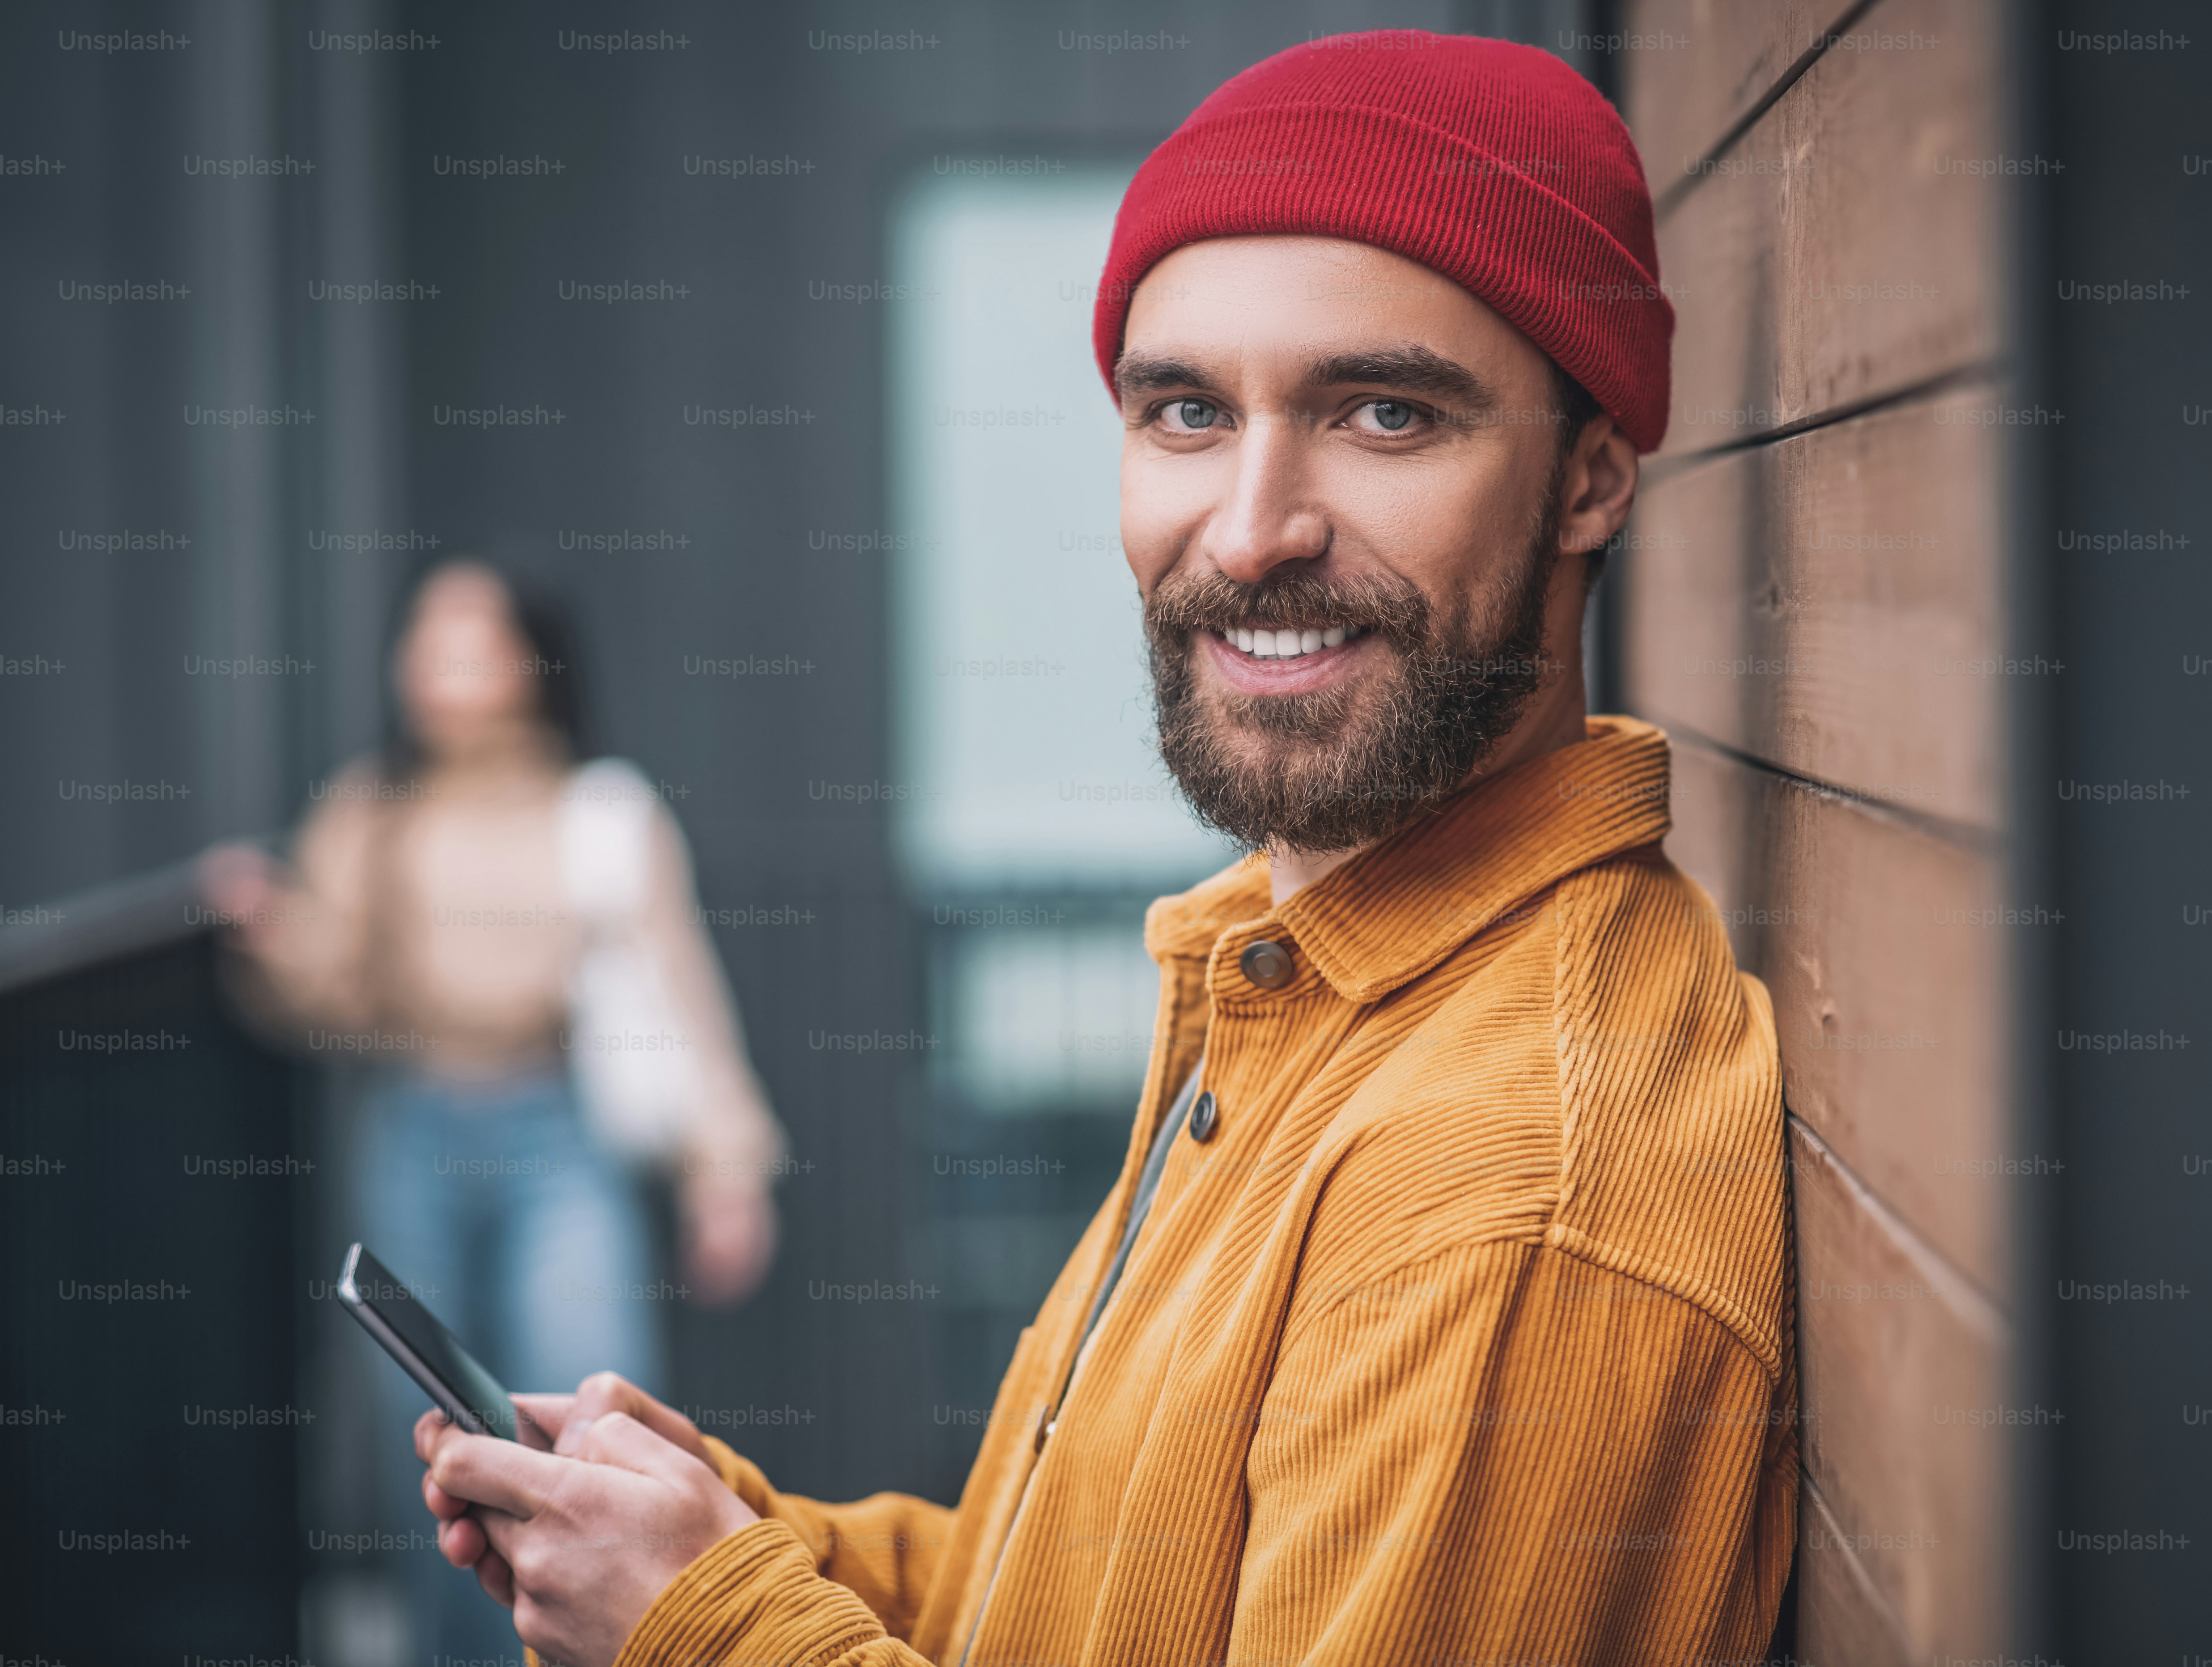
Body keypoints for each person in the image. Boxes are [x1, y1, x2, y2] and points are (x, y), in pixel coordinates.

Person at [416, 35, 1795, 1667]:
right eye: (1190, 411)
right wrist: (727, 1542)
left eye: (1384, 413)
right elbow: (1072, 1594)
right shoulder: (1299, 981)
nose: (1253, 526)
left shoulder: (1508, 1196)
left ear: (1588, 480)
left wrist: (713, 1636)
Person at [200, 558, 786, 1663]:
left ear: (531, 661)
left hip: (559, 1136)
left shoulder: (598, 812)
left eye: (470, 638)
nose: (438, 662)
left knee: (583, 1423)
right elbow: (334, 990)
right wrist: (273, 933)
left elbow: (678, 993)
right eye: (424, 637)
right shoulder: (373, 809)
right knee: (424, 1462)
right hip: (417, 1130)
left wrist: (729, 1170)